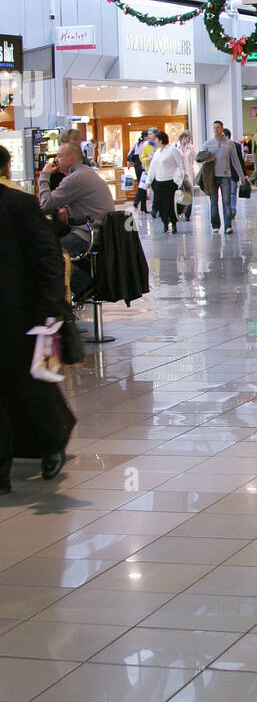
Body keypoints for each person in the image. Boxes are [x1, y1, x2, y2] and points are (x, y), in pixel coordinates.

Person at [1, 176, 77, 491]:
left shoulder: (17, 204)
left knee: (33, 386)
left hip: (21, 315)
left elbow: (49, 257)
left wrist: (54, 306)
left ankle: (52, 441)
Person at [37, 139, 115, 293]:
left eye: (59, 156)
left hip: (87, 234)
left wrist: (44, 175)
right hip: (98, 230)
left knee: (48, 256)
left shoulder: (76, 178)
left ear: (71, 159)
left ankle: (85, 286)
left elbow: (45, 203)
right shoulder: (84, 173)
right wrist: (64, 205)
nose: (56, 160)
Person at [196, 120, 248, 234]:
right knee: (213, 202)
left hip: (225, 176)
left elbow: (235, 160)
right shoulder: (208, 143)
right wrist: (208, 158)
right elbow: (198, 158)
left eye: (218, 128)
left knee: (226, 201)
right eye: (214, 128)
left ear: (222, 129)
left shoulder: (229, 144)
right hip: (212, 177)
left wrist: (241, 176)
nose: (216, 130)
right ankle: (215, 225)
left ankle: (228, 226)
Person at [146, 130, 185, 234]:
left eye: (156, 139)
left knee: (170, 204)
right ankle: (164, 224)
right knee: (161, 204)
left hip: (170, 182)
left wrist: (181, 178)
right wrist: (148, 181)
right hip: (159, 182)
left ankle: (174, 223)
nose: (155, 141)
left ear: (161, 140)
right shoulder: (157, 152)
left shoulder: (172, 150)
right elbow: (152, 168)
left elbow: (181, 165)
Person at [177, 130, 195, 221]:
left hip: (188, 172)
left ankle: (188, 213)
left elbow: (195, 158)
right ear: (184, 137)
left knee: (189, 192)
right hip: (179, 173)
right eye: (188, 138)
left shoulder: (190, 147)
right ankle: (179, 211)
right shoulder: (175, 147)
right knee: (179, 192)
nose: (189, 140)